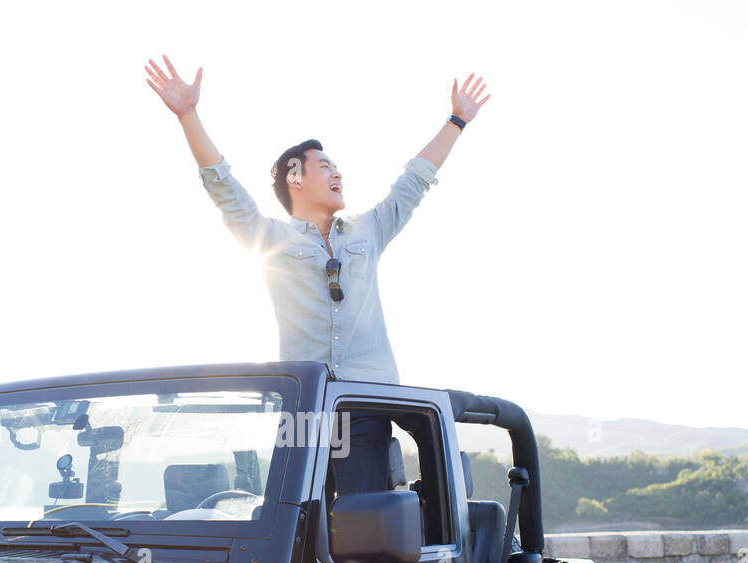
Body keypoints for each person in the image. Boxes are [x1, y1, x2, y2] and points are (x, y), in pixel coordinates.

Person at [144, 54, 490, 494]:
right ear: (295, 178)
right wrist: (188, 115)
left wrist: (457, 120)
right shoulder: (271, 239)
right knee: (308, 520)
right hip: (308, 408)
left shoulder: (369, 230)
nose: (337, 172)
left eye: (336, 166)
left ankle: (429, 523)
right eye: (324, 165)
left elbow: (414, 180)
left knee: (367, 513)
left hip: (370, 401)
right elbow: (223, 186)